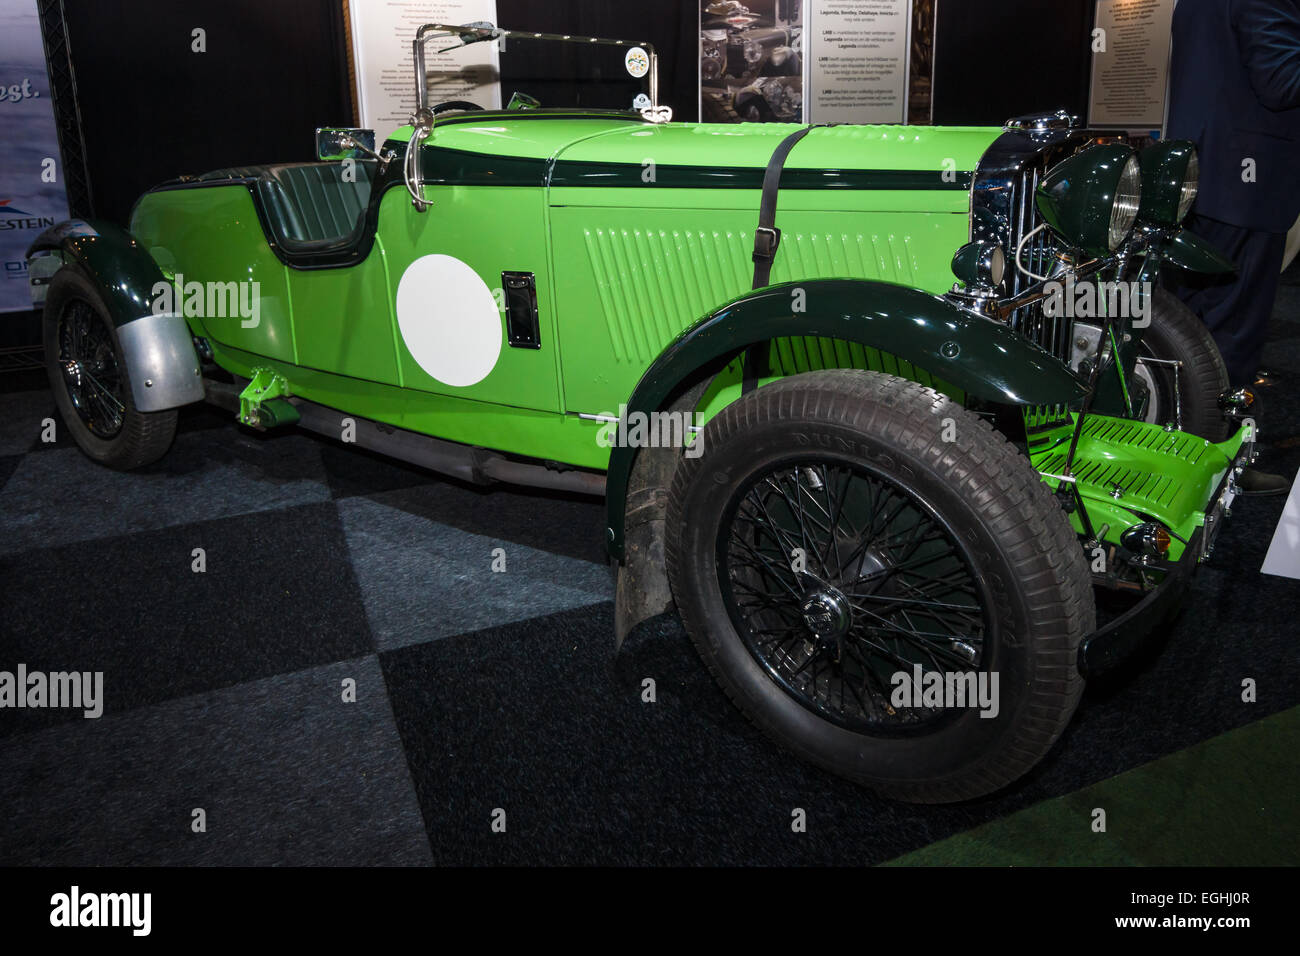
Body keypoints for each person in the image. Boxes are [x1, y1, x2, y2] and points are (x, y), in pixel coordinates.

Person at [1166, 0, 1300, 494]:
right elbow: (1282, 81)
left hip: (1203, 175)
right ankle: (1217, 473)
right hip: (1247, 182)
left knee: (1189, 330)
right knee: (1231, 336)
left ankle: (1179, 462)